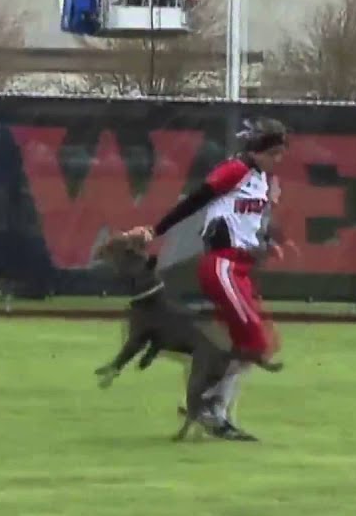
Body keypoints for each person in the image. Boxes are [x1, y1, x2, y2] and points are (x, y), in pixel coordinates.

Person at [126, 117, 296, 435]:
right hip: (222, 266)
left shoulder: (262, 179)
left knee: (255, 343)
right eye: (273, 153)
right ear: (257, 150)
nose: (278, 159)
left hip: (240, 268)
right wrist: (154, 230)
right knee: (254, 342)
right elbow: (196, 200)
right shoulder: (236, 170)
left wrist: (270, 242)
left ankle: (213, 409)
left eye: (280, 153)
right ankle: (205, 404)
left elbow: (250, 221)